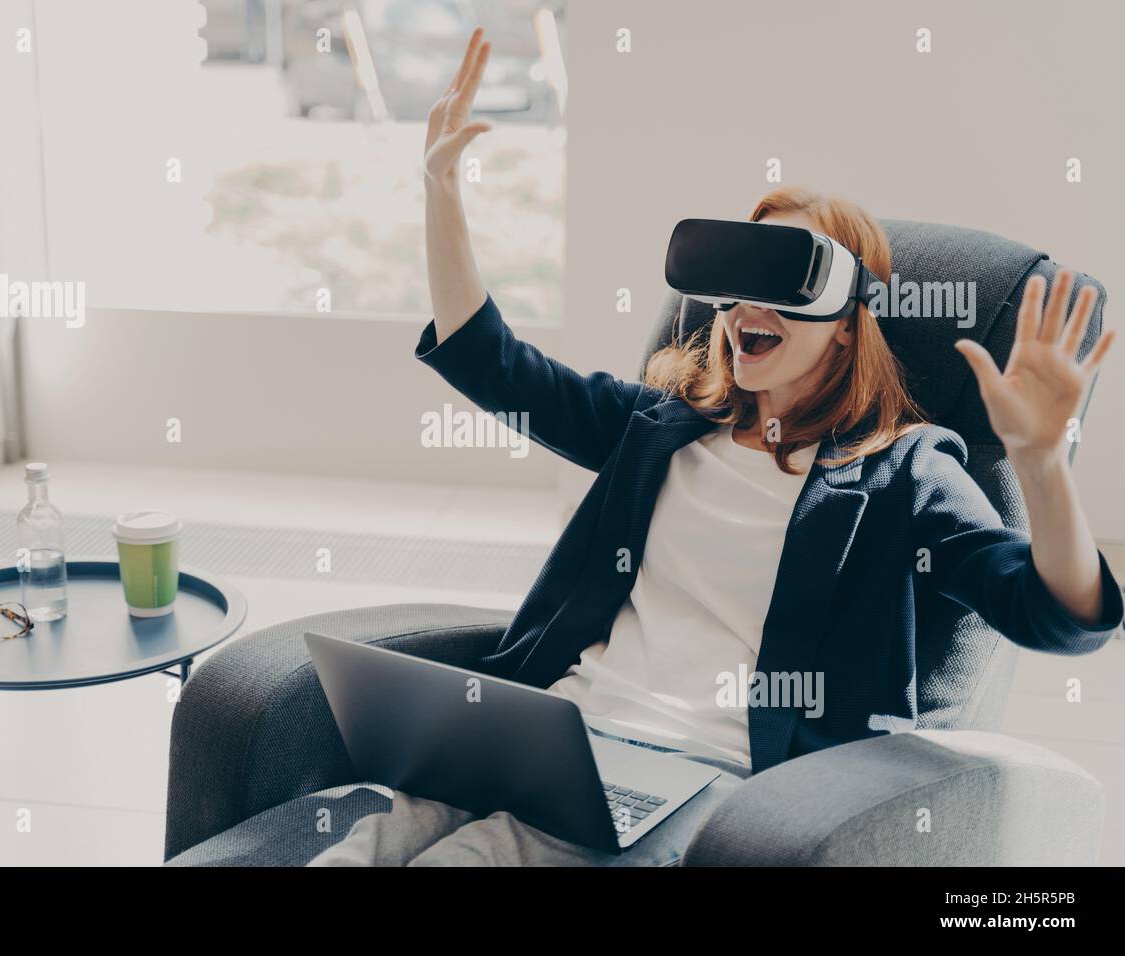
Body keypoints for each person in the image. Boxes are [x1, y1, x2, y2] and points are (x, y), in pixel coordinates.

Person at [308, 28, 1122, 867]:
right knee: (361, 851)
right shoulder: (657, 431)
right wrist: (442, 187)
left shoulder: (902, 473)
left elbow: (1054, 615)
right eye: (736, 281)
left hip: (702, 779)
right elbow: (494, 364)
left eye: (783, 280)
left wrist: (1043, 462)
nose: (742, 308)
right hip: (550, 741)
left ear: (846, 330)